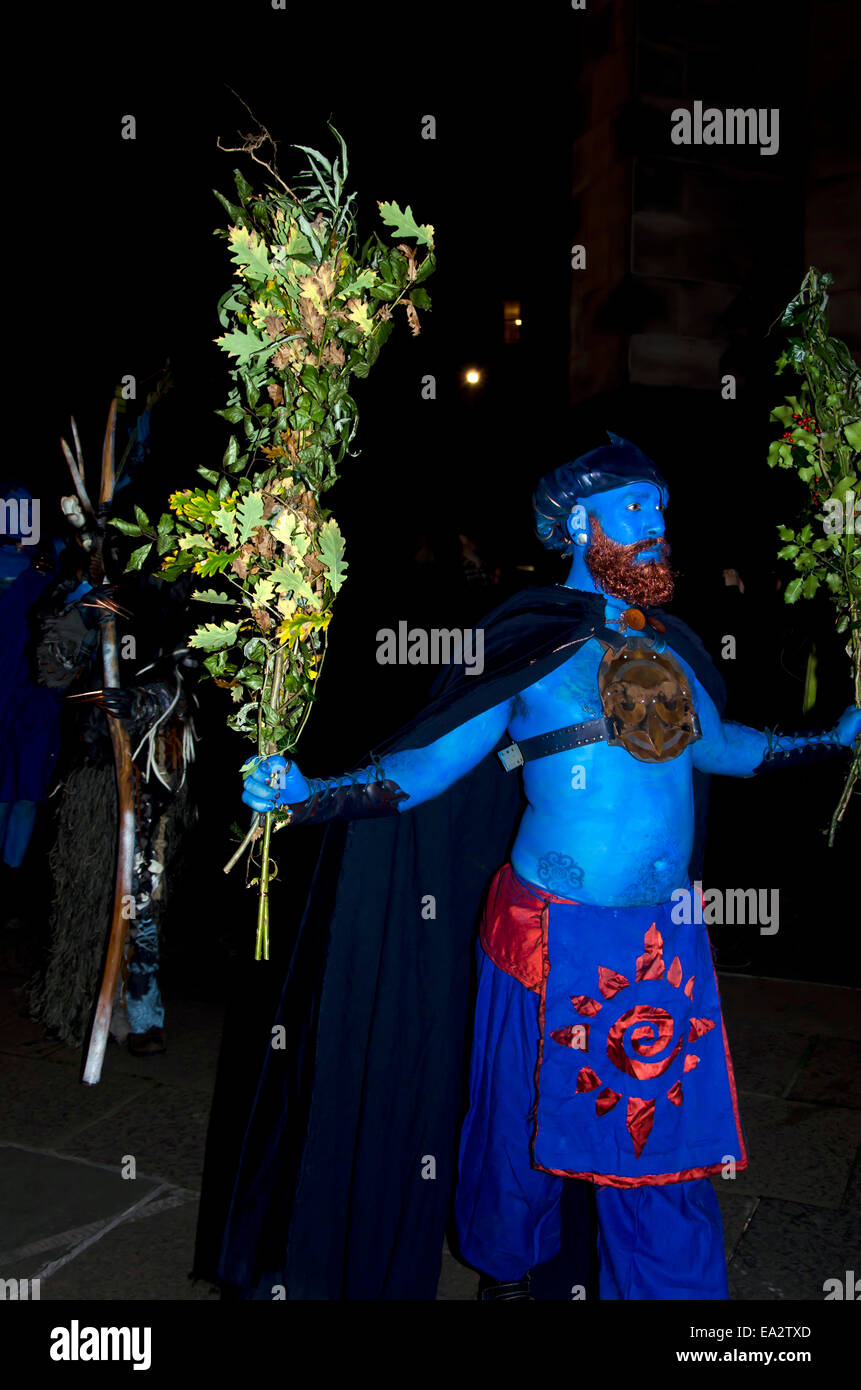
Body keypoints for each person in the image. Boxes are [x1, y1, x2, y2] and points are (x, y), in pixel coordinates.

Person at [217, 433, 859, 1301]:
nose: (657, 528)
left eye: (661, 511)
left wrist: (831, 740)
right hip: (544, 933)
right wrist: (309, 792)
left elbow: (727, 750)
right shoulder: (528, 638)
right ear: (579, 522)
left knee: (662, 1141)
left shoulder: (669, 645)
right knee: (522, 1126)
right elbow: (425, 767)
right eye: (637, 509)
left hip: (659, 943)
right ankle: (510, 1275)